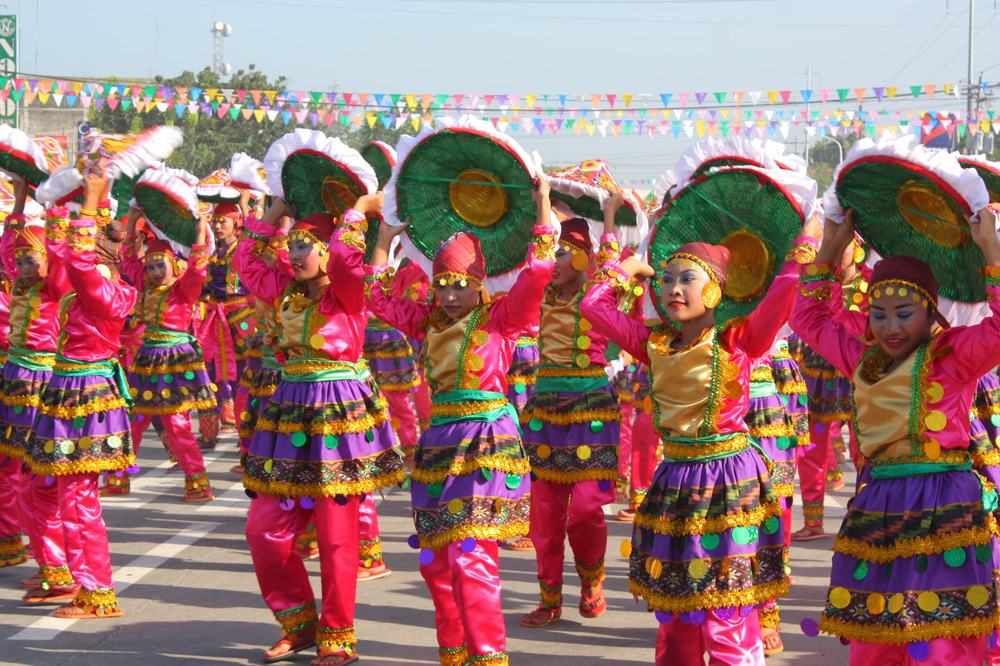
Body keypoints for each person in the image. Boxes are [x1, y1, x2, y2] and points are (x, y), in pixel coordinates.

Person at [580, 197, 818, 665]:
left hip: (728, 480)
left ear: (715, 290)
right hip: (675, 481)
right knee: (677, 617)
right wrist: (625, 269)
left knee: (726, 614)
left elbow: (785, 289)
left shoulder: (738, 341)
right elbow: (593, 306)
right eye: (667, 278)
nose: (673, 288)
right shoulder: (653, 343)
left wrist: (806, 241)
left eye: (687, 279)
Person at [790, 207, 1000, 664]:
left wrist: (990, 249)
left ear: (931, 313)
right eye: (879, 315)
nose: (890, 328)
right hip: (879, 504)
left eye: (904, 314)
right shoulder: (863, 360)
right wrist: (831, 246)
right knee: (876, 638)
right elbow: (808, 319)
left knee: (941, 637)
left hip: (943, 503)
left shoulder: (953, 355)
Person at [365, 178, 556, 666]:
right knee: (436, 561)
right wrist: (383, 241)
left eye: (461, 286)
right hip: (439, 445)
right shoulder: (427, 321)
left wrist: (542, 208)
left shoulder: (502, 318)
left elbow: (538, 271)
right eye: (442, 285)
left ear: (480, 285)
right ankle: (454, 654)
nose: (450, 296)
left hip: (487, 441)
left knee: (471, 556)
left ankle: (489, 658)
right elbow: (376, 297)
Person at [238, 193, 404, 666]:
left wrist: (358, 210)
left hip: (337, 415)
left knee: (335, 537)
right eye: (290, 246)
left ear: (328, 251)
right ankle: (298, 622)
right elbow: (247, 261)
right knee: (264, 530)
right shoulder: (286, 292)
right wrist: (273, 213)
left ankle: (337, 635)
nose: (293, 255)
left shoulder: (346, 293)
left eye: (303, 246)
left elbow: (352, 264)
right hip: (289, 411)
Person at [22, 171, 137, 618]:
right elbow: (58, 256)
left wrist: (89, 203)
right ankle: (62, 574)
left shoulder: (110, 293)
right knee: (39, 489)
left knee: (77, 498)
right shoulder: (76, 283)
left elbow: (76, 261)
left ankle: (97, 592)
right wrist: (55, 204)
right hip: (63, 392)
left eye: (84, 235)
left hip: (87, 396)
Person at [518, 202, 623, 628]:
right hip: (544, 410)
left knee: (585, 509)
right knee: (544, 513)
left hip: (592, 408)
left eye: (563, 252)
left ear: (584, 256)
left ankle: (592, 578)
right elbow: (534, 265)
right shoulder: (540, 295)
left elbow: (612, 264)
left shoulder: (599, 293)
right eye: (553, 252)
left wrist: (610, 217)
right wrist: (541, 201)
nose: (555, 261)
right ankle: (549, 597)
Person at [0, 182, 74, 601]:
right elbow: (9, 245)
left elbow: (61, 259)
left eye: (33, 259)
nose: (24, 265)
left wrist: (54, 208)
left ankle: (56, 568)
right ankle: (45, 562)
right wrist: (19, 200)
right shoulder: (19, 286)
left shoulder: (53, 288)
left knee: (35, 478)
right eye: (20, 260)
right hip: (15, 380)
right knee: (17, 473)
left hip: (40, 383)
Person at [121, 205, 216, 502]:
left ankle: (198, 483)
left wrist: (200, 232)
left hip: (176, 360)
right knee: (134, 420)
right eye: (150, 267)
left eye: (160, 266)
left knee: (177, 424)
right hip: (147, 359)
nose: (155, 273)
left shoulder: (183, 290)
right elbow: (128, 258)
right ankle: (118, 478)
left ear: (174, 266)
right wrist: (133, 220)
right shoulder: (144, 285)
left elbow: (198, 269)